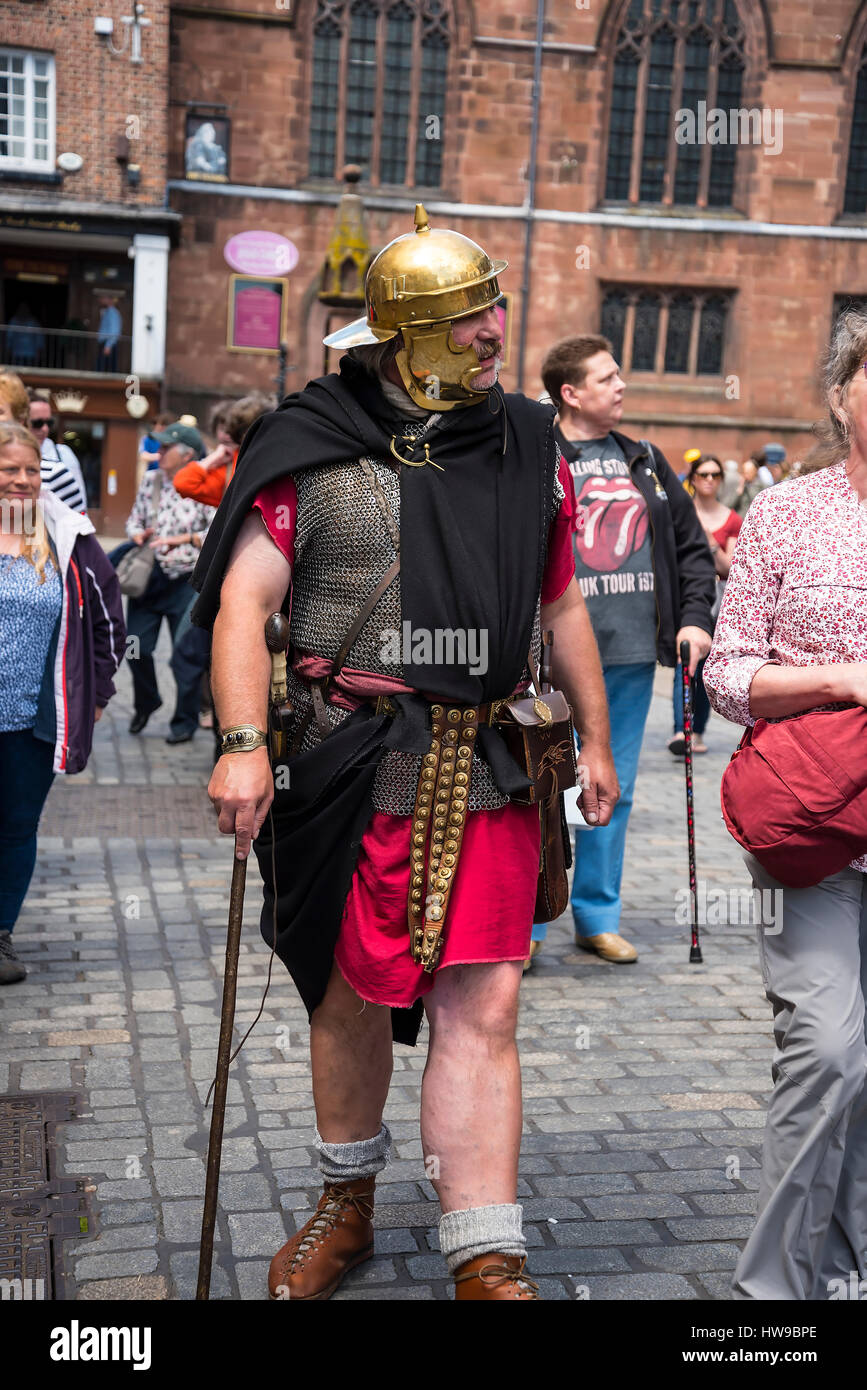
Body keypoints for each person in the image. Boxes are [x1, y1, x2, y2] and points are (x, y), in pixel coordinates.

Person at [191, 206, 618, 1301]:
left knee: (487, 1002)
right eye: (470, 316)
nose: (494, 330)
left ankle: (485, 1245)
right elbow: (244, 603)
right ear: (408, 330)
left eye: (496, 309)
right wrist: (243, 744)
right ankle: (348, 1199)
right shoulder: (311, 440)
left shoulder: (528, 442)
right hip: (348, 758)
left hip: (492, 765)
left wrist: (600, 741)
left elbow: (562, 603)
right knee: (347, 993)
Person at [703, 307, 867, 1301]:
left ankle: (849, 1266)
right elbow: (728, 676)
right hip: (811, 821)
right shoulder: (785, 513)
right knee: (828, 1050)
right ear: (843, 396)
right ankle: (774, 1294)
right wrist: (842, 679)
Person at [528, 336, 715, 967]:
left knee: (616, 785)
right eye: (607, 379)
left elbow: (690, 547)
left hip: (632, 653)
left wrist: (694, 619)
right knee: (541, 784)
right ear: (570, 393)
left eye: (620, 376)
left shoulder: (645, 459)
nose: (621, 386)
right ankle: (528, 924)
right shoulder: (533, 453)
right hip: (547, 659)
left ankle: (597, 914)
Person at [0, 423, 125, 985]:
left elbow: (107, 619)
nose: (22, 481)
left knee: (17, 826)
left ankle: (0, 934)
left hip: (34, 719)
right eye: (10, 470)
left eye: (30, 470)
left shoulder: (64, 535)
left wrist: (96, 692)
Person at [123, 422, 215, 741]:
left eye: (165, 448)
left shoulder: (207, 486)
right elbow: (134, 519)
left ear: (188, 454)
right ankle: (147, 702)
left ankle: (184, 721)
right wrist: (136, 532)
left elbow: (218, 534)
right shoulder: (152, 480)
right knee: (135, 646)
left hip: (189, 581)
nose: (158, 452)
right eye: (158, 447)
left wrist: (185, 539)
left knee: (184, 654)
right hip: (150, 579)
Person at [668, 453, 742, 756]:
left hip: (716, 602)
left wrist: (708, 541)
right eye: (703, 475)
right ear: (693, 479)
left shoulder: (732, 519)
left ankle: (697, 730)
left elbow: (730, 567)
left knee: (705, 669)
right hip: (684, 596)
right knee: (683, 662)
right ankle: (680, 729)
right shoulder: (680, 516)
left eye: (715, 475)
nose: (709, 480)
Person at [173, 392, 275, 509]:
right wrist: (213, 458)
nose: (228, 435)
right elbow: (183, 483)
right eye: (224, 429)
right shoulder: (228, 466)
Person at [29, 392, 88, 513]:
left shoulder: (63, 455)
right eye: (37, 423)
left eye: (49, 423)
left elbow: (80, 509)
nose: (45, 429)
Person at [96, 296, 122, 372]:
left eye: (104, 298)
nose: (101, 300)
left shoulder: (112, 312)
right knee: (103, 367)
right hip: (105, 343)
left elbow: (114, 330)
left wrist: (108, 345)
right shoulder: (107, 312)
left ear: (110, 300)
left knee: (106, 369)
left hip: (108, 343)